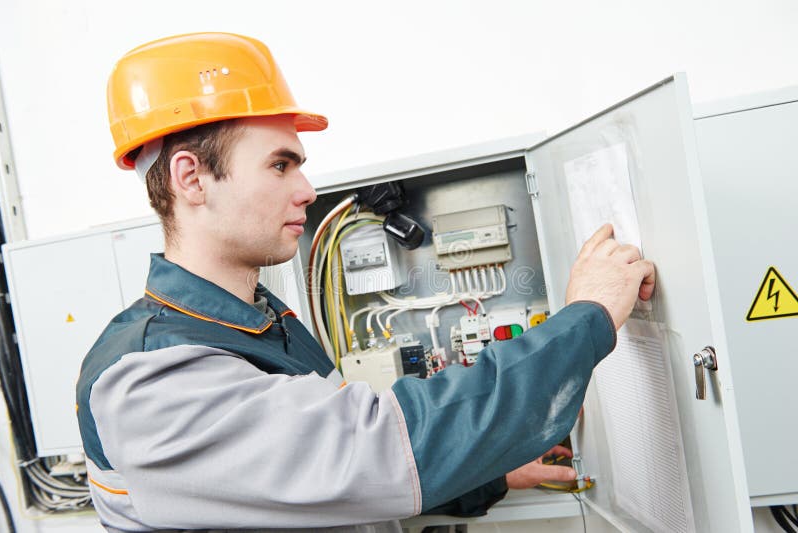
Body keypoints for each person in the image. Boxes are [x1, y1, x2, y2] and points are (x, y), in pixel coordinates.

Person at [76, 32, 655, 532]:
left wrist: (487, 476)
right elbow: (373, 448)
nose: (306, 190)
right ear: (191, 177)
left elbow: (325, 485)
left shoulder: (264, 322)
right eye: (280, 165)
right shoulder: (148, 381)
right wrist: (588, 315)